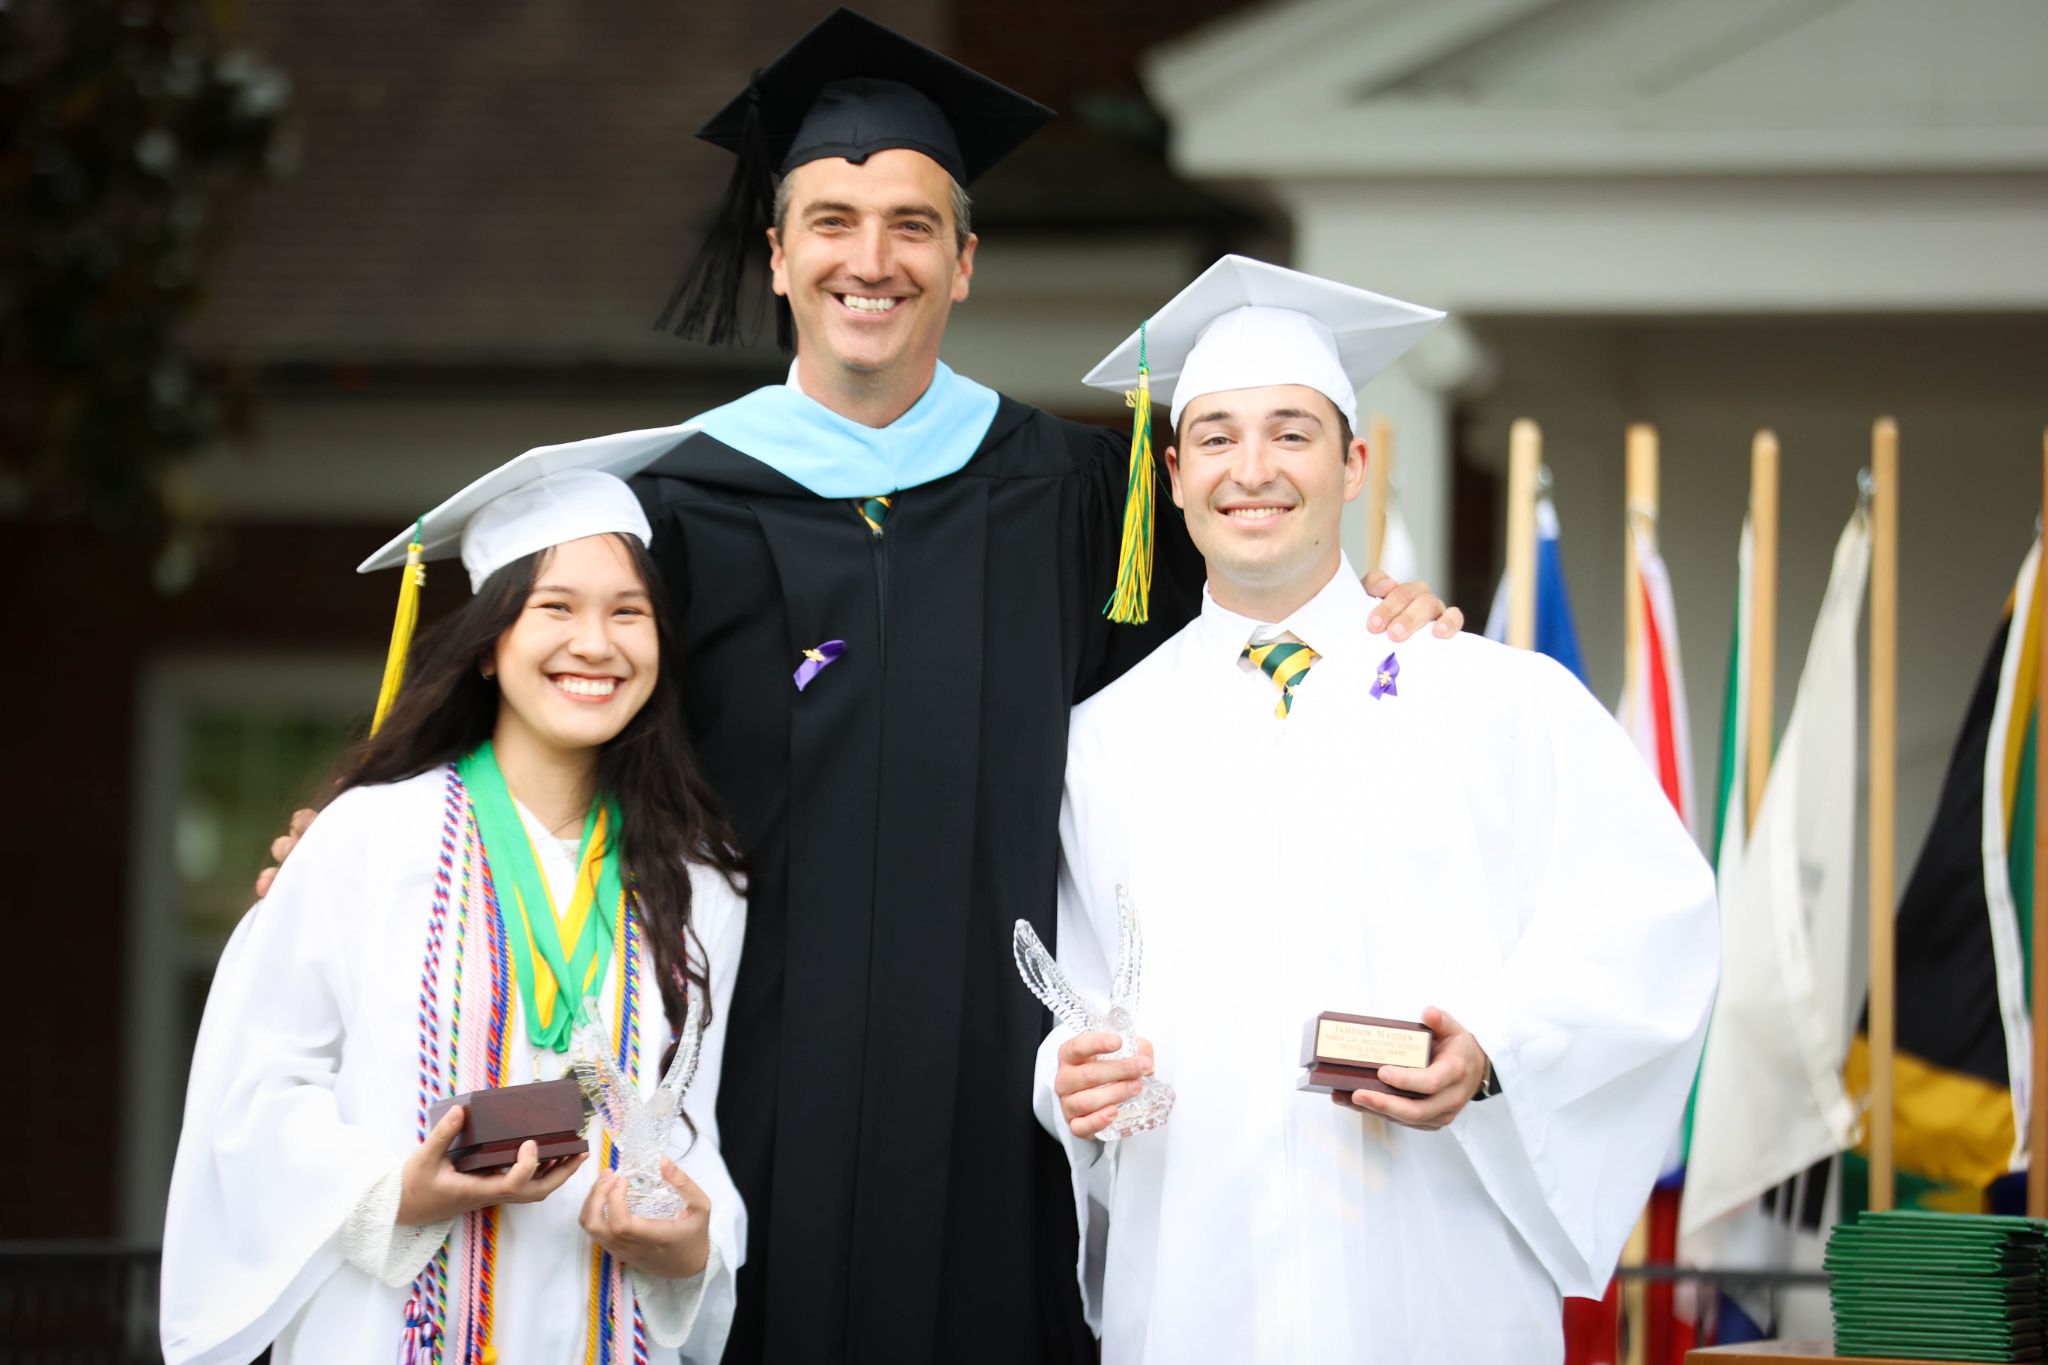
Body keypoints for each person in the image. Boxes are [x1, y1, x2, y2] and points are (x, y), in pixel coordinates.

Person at [259, 14, 1459, 1362]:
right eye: (831, 220)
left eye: (910, 223)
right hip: (741, 1097)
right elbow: (546, 731)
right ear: (776, 257)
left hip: (1006, 1106)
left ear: (963, 261)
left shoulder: (1077, 499)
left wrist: (1370, 618)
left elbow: (1238, 681)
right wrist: (367, 844)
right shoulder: (671, 514)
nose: (869, 259)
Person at [1042, 256, 1720, 1364]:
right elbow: (1066, 991)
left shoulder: (1499, 701)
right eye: (1213, 437)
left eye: (1291, 434)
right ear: (1170, 474)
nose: (1249, 470)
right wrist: (1061, 1077)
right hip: (1200, 1275)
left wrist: (1493, 1047)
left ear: (1353, 463)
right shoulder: (1103, 741)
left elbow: (1649, 915)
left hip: (1432, 1271)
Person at [165, 452, 748, 1364]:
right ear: (489, 641)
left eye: (627, 612)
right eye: (555, 607)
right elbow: (255, 1089)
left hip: (598, 1323)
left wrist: (689, 1248)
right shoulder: (367, 839)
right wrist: (403, 1187)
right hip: (390, 1326)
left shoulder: (696, 877)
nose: (595, 643)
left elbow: (690, 1128)